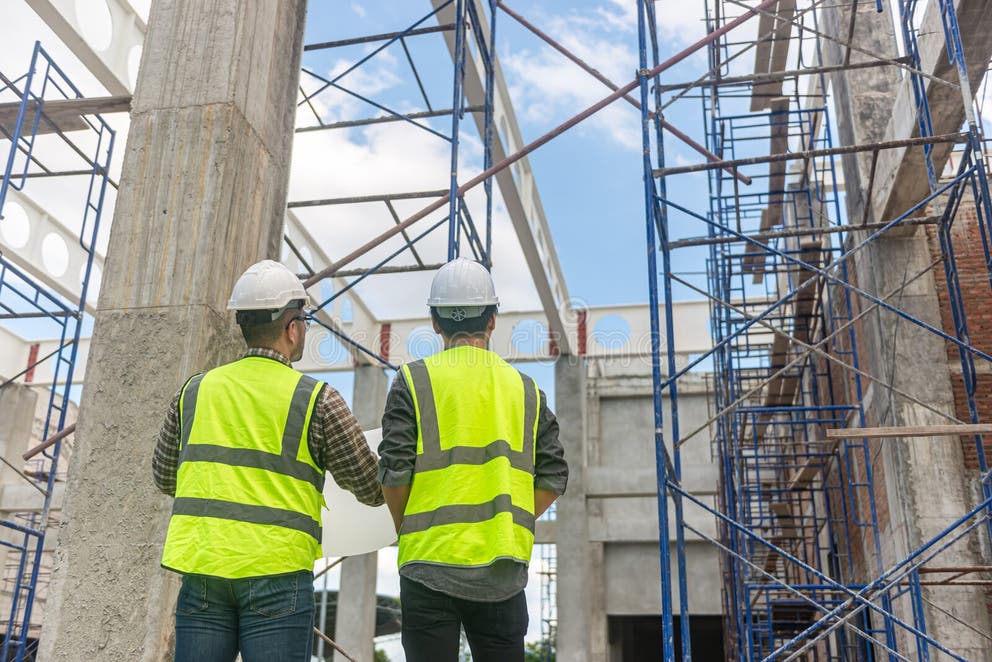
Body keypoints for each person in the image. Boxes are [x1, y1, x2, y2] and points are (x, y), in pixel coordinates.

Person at [152, 259, 383, 662]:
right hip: (278, 575)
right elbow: (370, 484)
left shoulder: (194, 392)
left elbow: (164, 475)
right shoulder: (317, 399)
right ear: (292, 328)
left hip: (203, 570)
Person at [378, 257, 569, 662]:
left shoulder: (413, 380)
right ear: (493, 319)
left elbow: (394, 474)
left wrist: (409, 527)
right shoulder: (526, 390)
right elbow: (553, 477)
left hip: (428, 564)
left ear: (434, 321)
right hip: (502, 570)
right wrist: (510, 520)